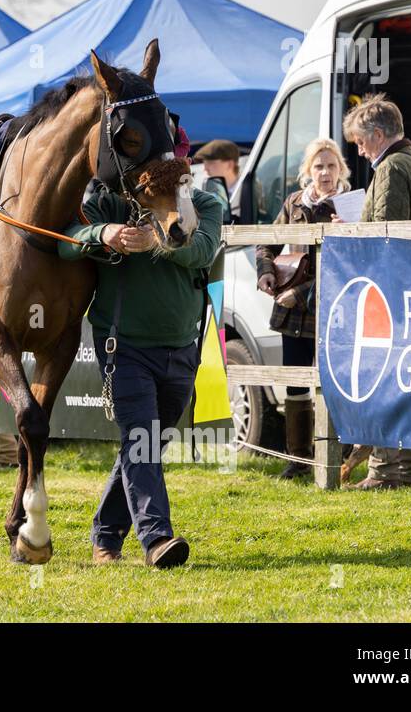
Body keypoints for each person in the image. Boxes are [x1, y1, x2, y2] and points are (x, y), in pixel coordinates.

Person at [58, 180, 223, 568]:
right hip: (124, 346)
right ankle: (156, 538)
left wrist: (157, 241)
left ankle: (106, 534)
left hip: (183, 346)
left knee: (145, 445)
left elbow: (203, 250)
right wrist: (103, 233)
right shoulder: (107, 204)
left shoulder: (204, 204)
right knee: (142, 439)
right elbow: (65, 242)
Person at [342, 93, 411, 489]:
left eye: (361, 142)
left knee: (385, 377)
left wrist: (352, 230)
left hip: (391, 289)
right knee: (407, 378)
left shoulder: (390, 168)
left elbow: (384, 231)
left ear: (379, 134)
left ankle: (390, 470)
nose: (360, 150)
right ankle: (405, 465)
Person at [255, 139, 347, 479]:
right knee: (295, 386)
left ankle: (334, 456)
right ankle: (298, 459)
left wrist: (302, 293)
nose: (325, 173)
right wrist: (266, 272)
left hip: (331, 313)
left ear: (341, 170)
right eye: (319, 166)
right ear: (308, 171)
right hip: (291, 315)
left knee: (333, 385)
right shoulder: (294, 203)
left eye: (331, 166)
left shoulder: (347, 206)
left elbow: (344, 265)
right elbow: (267, 241)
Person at [192, 139, 240, 222]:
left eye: (210, 163)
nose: (205, 169)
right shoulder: (211, 192)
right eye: (205, 163)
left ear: (229, 164)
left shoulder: (250, 190)